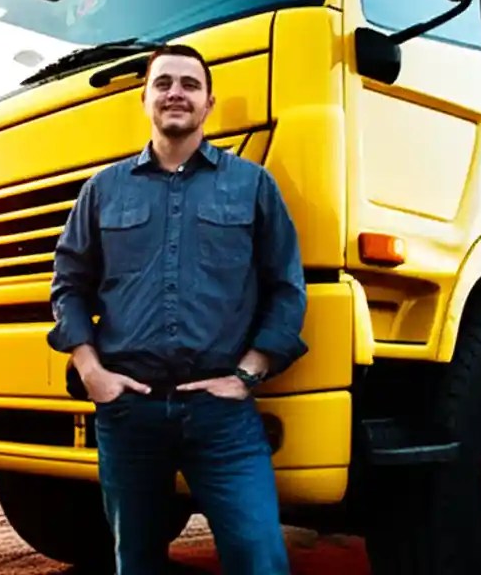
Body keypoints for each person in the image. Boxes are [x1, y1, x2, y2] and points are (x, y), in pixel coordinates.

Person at [47, 43, 308, 574]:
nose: (176, 94)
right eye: (163, 83)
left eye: (190, 84)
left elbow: (287, 287)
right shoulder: (102, 190)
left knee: (259, 557)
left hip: (222, 415)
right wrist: (92, 372)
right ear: (144, 98)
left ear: (209, 103)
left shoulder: (252, 185)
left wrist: (248, 373)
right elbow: (68, 285)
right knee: (135, 561)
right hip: (129, 413)